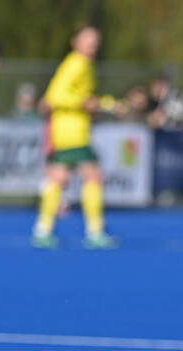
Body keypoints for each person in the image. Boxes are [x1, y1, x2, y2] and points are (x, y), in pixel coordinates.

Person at [31, 25, 116, 250]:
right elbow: (55, 96)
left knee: (58, 178)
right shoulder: (78, 63)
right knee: (93, 176)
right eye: (88, 39)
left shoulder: (78, 63)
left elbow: (72, 95)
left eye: (95, 40)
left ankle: (43, 229)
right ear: (75, 41)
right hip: (72, 131)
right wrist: (84, 103)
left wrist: (102, 103)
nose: (93, 44)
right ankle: (95, 231)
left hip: (65, 130)